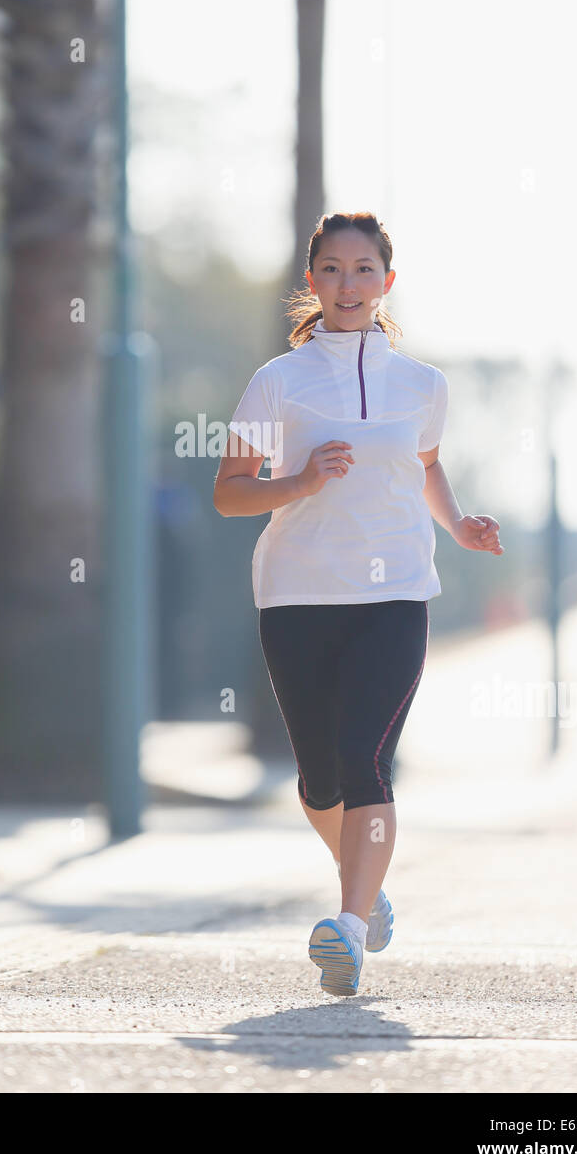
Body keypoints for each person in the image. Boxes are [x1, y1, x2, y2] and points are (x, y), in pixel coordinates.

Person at [213, 210, 503, 997]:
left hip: (396, 593)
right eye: (333, 270)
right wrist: (301, 482)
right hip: (297, 596)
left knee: (369, 760)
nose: (349, 284)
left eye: (364, 269)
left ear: (387, 281)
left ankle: (345, 928)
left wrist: (462, 524)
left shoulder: (424, 384)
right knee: (319, 781)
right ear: (311, 282)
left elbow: (427, 468)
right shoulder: (278, 381)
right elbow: (230, 494)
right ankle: (366, 890)